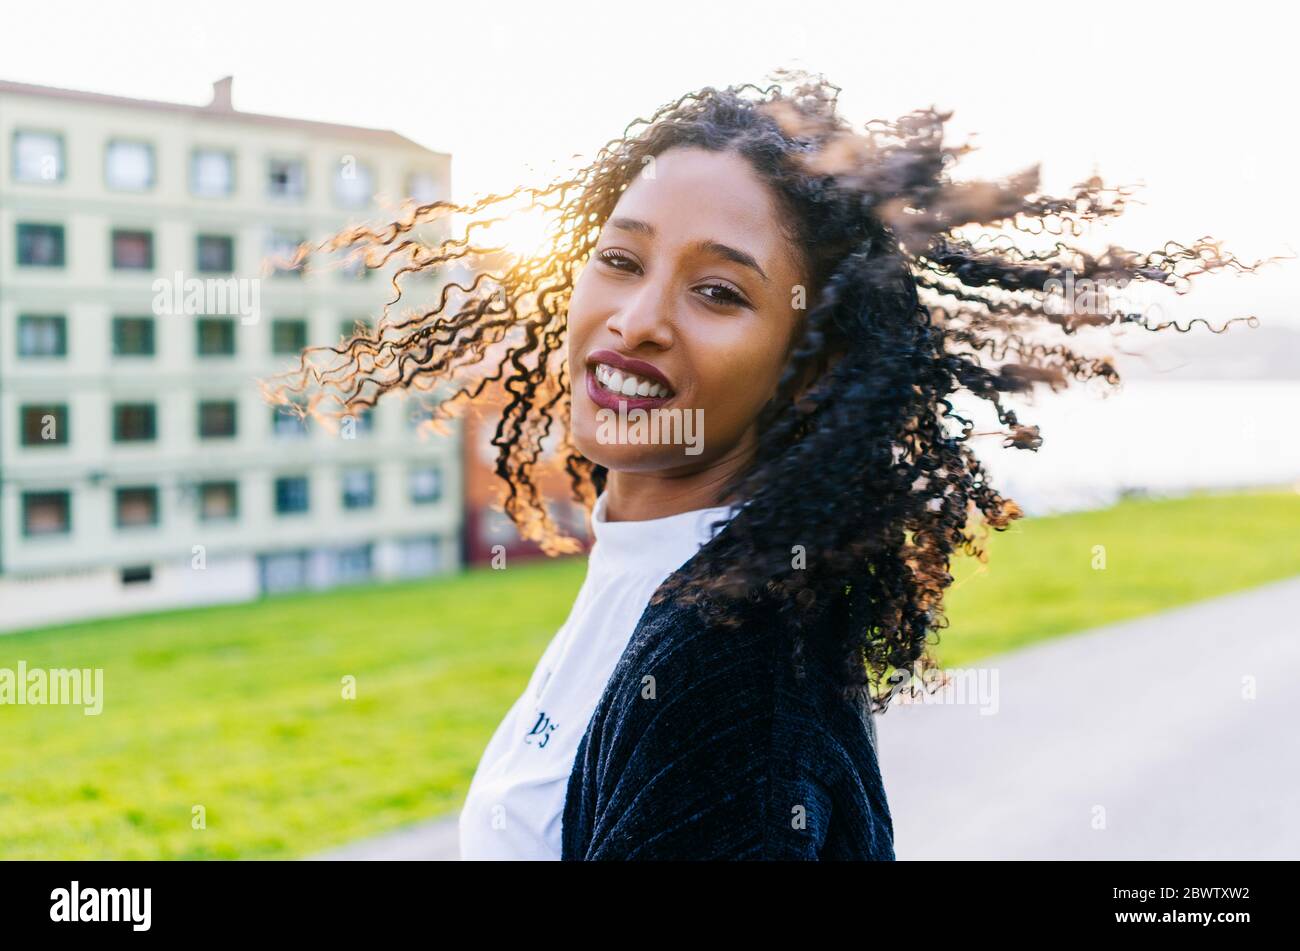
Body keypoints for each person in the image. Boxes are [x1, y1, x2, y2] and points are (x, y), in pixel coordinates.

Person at [259, 70, 1263, 860]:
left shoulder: (734, 687)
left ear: (805, 369)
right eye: (620, 260)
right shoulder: (654, 570)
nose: (637, 319)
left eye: (720, 294)